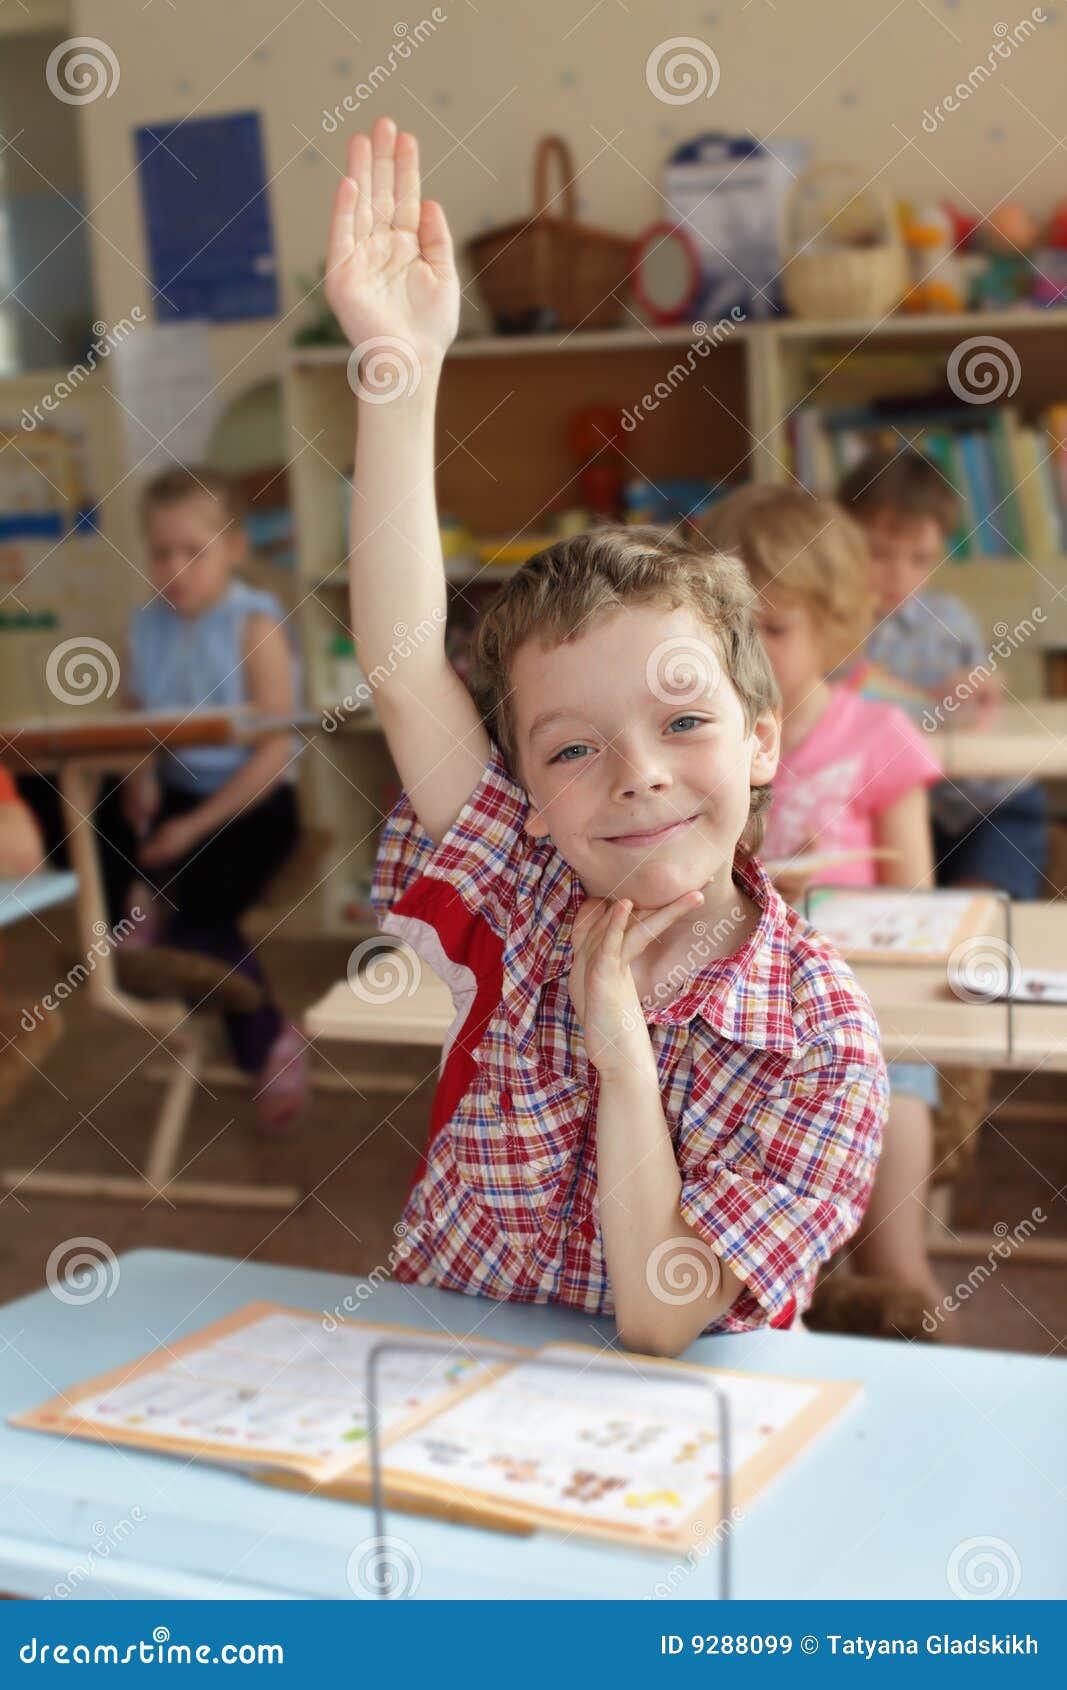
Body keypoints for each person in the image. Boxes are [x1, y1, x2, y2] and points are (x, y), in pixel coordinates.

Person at [322, 117, 887, 1355]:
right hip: (449, 1391)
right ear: (520, 785)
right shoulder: (525, 879)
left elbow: (659, 1316)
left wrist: (620, 1056)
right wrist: (398, 369)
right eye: (570, 747)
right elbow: (407, 665)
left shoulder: (823, 1040)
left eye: (681, 721)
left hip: (673, 1464)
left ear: (759, 738)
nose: (633, 773)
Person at [701, 486, 943, 1309]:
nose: (751, 655)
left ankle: (894, 1280)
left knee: (896, 1082)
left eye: (772, 629)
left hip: (867, 1003)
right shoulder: (705, 745)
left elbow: (920, 906)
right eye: (732, 632)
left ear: (835, 624)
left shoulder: (880, 737)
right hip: (744, 1007)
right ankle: (772, 1291)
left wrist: (827, 908)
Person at [99, 465, 306, 1134]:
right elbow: (130, 724)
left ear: (234, 549)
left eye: (194, 551)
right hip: (177, 795)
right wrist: (139, 783)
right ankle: (127, 914)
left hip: (250, 805)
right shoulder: (144, 625)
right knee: (89, 792)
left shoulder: (254, 626)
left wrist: (188, 831)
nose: (174, 567)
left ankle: (267, 1037)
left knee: (202, 911)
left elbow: (273, 754)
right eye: (160, 552)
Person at [838, 445, 1048, 900]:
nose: (898, 574)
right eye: (879, 554)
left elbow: (985, 691)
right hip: (896, 815)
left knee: (979, 918)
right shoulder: (827, 627)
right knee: (895, 915)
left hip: (988, 807)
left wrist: (981, 689)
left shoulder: (949, 619)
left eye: (919, 559)